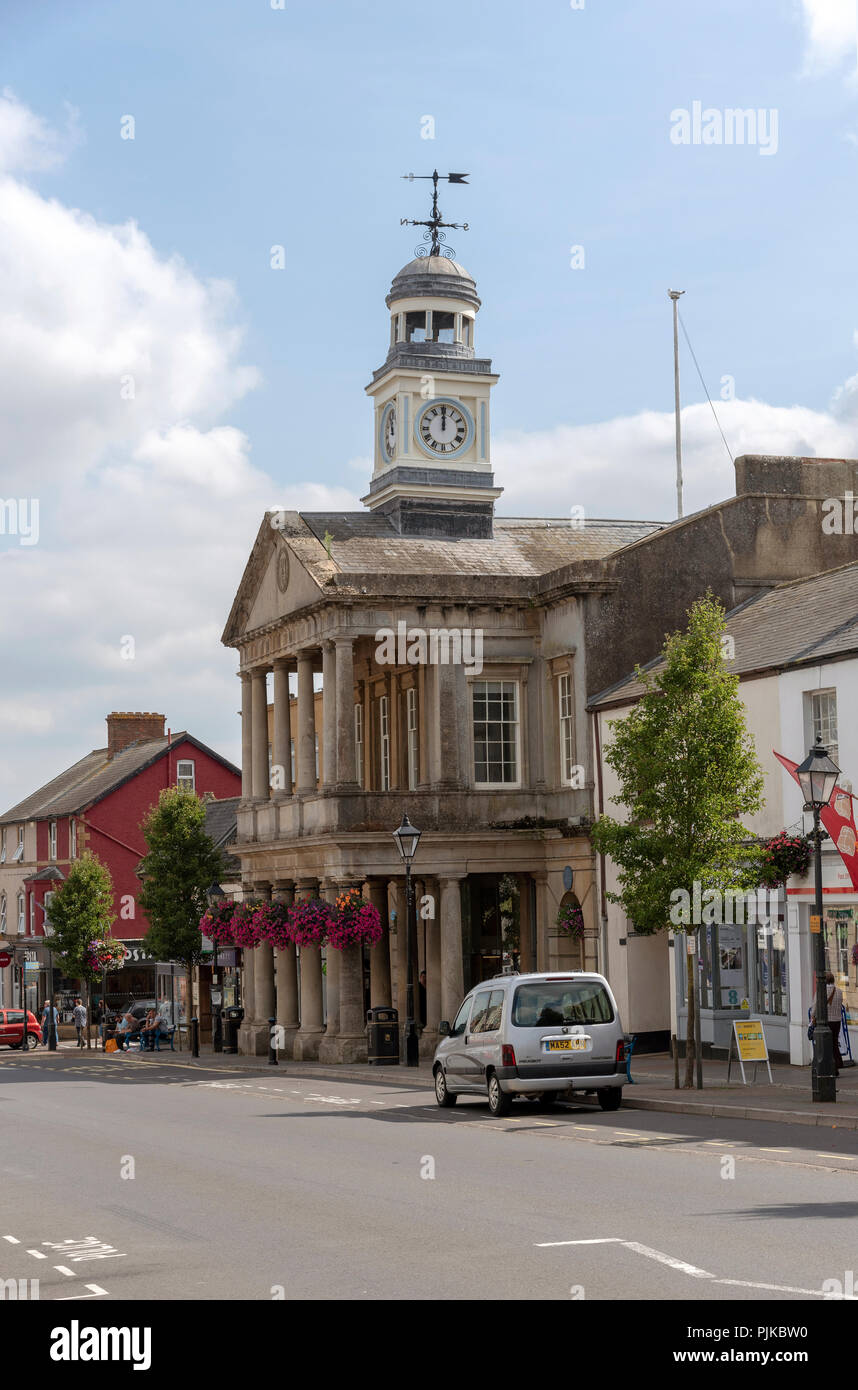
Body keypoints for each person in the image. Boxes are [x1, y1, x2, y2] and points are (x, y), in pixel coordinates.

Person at [811, 972, 844, 1074]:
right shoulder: (839, 991)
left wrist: (813, 1016)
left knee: (825, 1045)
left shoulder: (821, 991)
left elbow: (815, 1005)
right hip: (837, 1021)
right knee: (834, 1043)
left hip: (826, 1021)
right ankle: (836, 1065)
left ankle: (830, 1067)